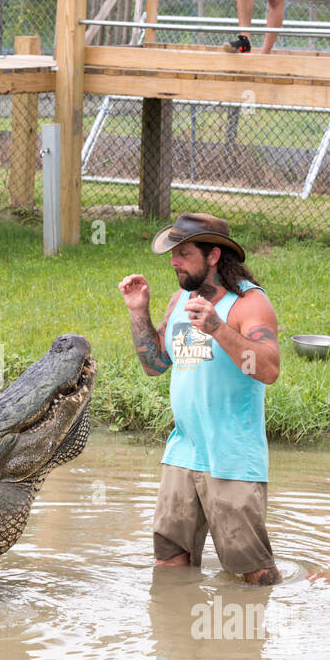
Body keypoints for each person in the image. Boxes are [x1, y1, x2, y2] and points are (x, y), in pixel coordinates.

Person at [117, 213, 282, 587]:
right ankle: (177, 639)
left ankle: (252, 635)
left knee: (250, 573)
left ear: (213, 257)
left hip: (231, 457)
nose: (174, 261)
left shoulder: (248, 303)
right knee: (170, 562)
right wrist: (138, 311)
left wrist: (217, 328)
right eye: (174, 253)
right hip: (182, 453)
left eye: (184, 253)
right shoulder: (180, 300)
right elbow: (156, 364)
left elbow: (269, 369)